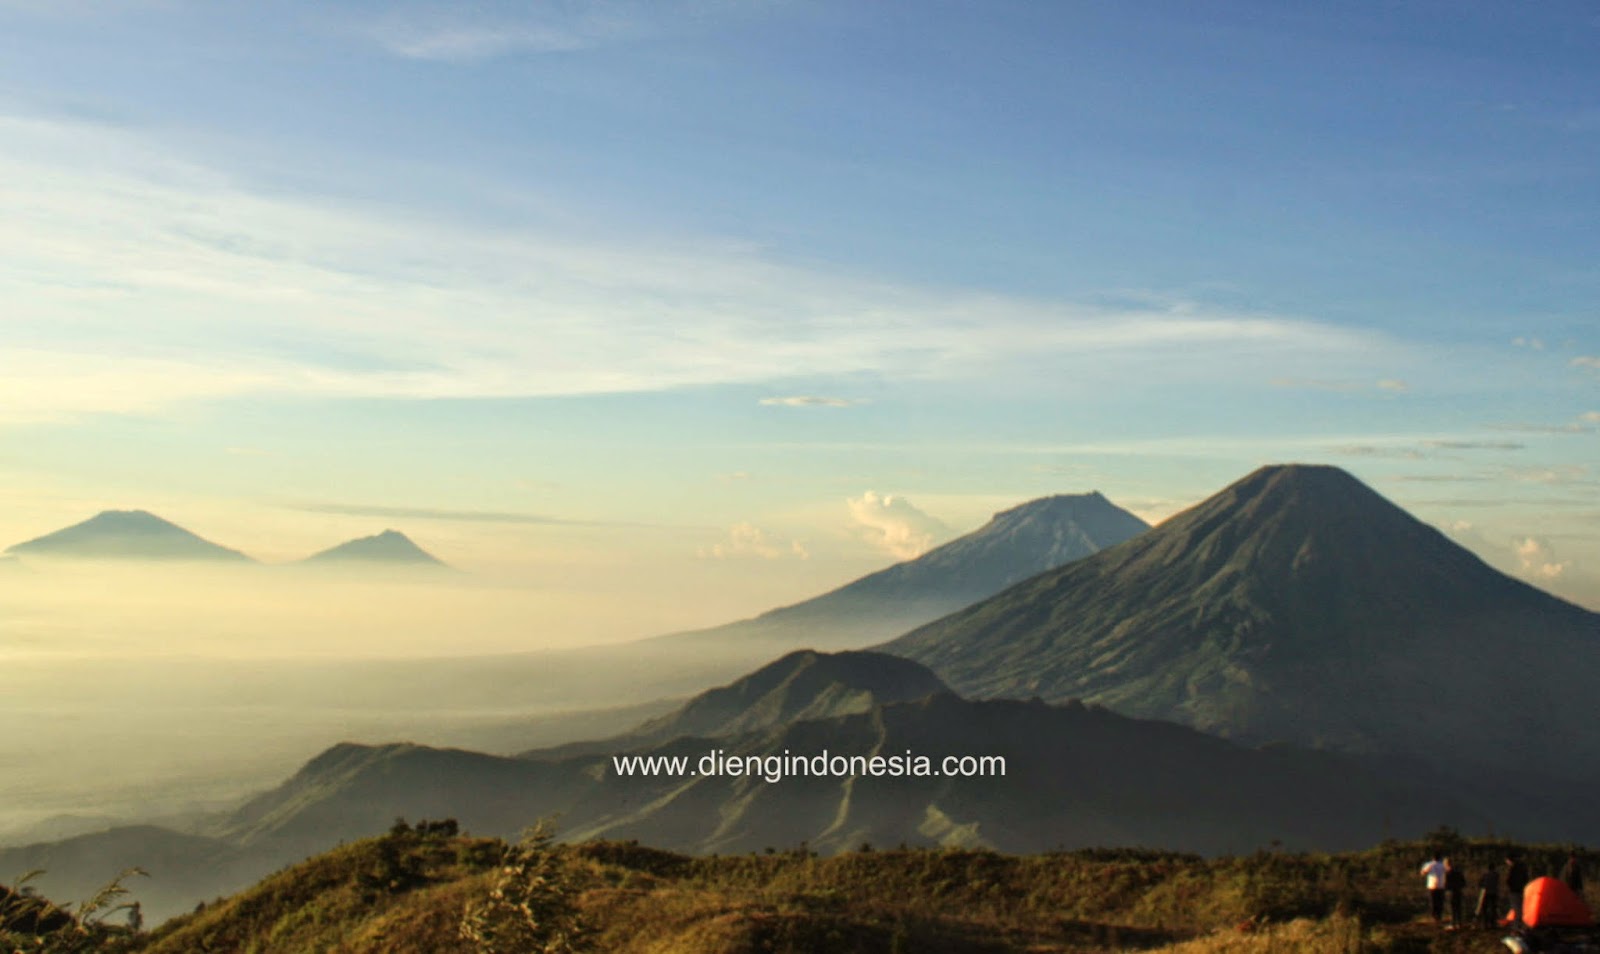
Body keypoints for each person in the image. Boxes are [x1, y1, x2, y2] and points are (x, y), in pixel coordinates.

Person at [1421, 852, 1448, 923]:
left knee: (1433, 901)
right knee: (1440, 901)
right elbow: (1447, 871)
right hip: (1441, 885)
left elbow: (1423, 873)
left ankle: (1434, 916)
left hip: (1432, 885)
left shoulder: (1429, 865)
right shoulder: (1443, 865)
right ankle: (1439, 916)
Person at [1507, 853, 1530, 925]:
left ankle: (1517, 926)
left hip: (1514, 891)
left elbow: (1509, 880)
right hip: (1521, 890)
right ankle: (1520, 925)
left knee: (1517, 909)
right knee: (1520, 908)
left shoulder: (1513, 868)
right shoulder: (1523, 867)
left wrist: (1510, 886)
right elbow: (1526, 878)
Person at [1477, 863, 1501, 930]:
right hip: (1494, 892)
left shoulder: (1485, 875)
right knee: (1493, 908)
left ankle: (1485, 923)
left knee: (1484, 908)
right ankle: (1493, 923)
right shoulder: (1496, 875)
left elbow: (1480, 883)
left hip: (1486, 892)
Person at [1445, 857, 1466, 927]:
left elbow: (1445, 884)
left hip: (1450, 892)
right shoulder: (1458, 872)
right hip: (1458, 891)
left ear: (1447, 864)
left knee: (1452, 909)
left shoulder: (1447, 874)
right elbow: (1463, 883)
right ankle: (1459, 923)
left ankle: (1452, 923)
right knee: (1458, 908)